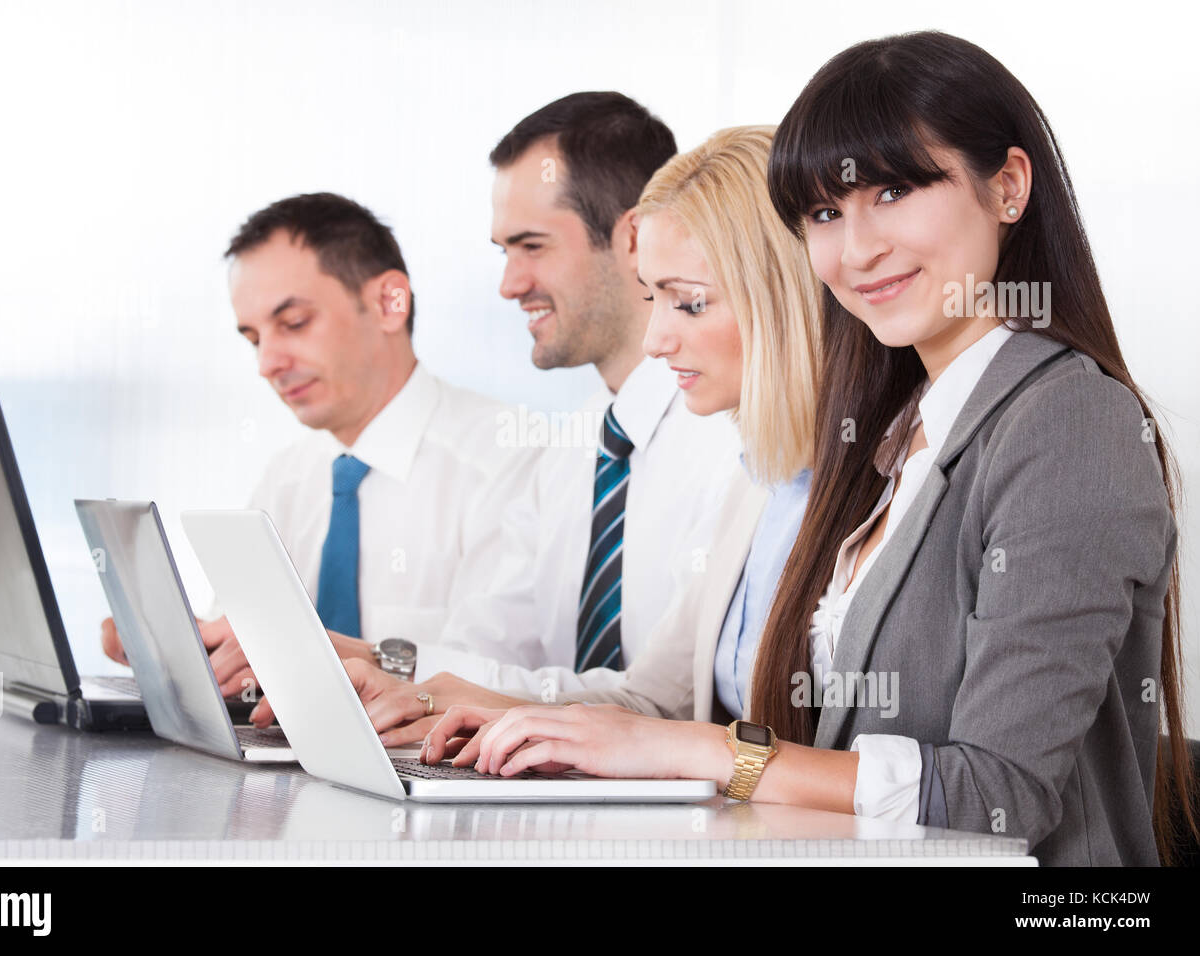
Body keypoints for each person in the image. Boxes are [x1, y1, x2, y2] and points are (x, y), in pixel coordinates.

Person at [418, 31, 1196, 867]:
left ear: (1007, 186)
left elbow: (998, 796)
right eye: (825, 213)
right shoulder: (897, 436)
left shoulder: (1068, 420)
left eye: (894, 190)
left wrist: (701, 752)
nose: (856, 250)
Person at [352, 124, 821, 747]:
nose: (509, 284)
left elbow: (908, 770)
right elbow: (650, 699)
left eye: (533, 245)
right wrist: (416, 682)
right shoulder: (747, 474)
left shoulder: (745, 457)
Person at [101, 192, 535, 705]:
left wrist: (359, 659)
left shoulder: (509, 462)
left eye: (294, 323)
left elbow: (508, 685)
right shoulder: (289, 477)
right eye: (253, 337)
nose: (267, 362)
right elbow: (242, 651)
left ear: (389, 303)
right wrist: (187, 650)